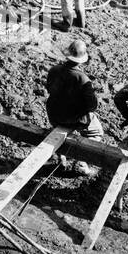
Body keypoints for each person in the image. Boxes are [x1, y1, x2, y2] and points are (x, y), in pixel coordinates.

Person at [45, 39, 103, 176]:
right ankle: (82, 161)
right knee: (96, 132)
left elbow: (49, 89)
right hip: (75, 118)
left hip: (54, 114)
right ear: (82, 60)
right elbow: (92, 106)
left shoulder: (54, 70)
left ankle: (60, 158)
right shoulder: (83, 79)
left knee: (59, 130)